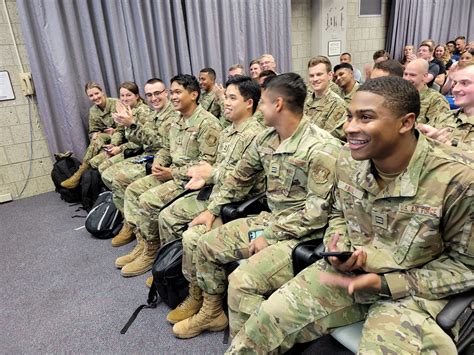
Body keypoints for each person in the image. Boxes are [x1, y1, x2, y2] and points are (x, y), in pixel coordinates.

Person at [227, 76, 473, 354]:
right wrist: (339, 245)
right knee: (265, 321)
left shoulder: (458, 180)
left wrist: (387, 283)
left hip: (413, 292)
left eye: (365, 117)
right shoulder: (347, 160)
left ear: (406, 122)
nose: (349, 128)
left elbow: (467, 267)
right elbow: (339, 213)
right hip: (348, 275)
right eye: (349, 116)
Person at [171, 73, 342, 339]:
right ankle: (213, 313)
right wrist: (212, 210)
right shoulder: (266, 140)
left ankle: (250, 341)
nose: (258, 108)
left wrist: (270, 235)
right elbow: (237, 179)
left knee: (242, 280)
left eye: (262, 103)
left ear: (278, 105)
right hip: (271, 220)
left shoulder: (321, 147)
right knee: (205, 244)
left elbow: (316, 214)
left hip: (302, 234)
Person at [158, 75, 265, 319]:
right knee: (172, 217)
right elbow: (219, 171)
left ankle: (210, 307)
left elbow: (241, 183)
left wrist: (213, 207)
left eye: (231, 98)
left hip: (239, 205)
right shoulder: (228, 132)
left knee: (193, 236)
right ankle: (191, 289)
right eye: (225, 97)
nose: (224, 102)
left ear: (249, 103)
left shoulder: (255, 136)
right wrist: (205, 178)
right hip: (220, 196)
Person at [115, 74, 221, 277]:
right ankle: (146, 244)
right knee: (132, 190)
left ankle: (156, 253)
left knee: (147, 200)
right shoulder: (177, 121)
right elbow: (165, 147)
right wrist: (159, 162)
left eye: (177, 92)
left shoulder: (208, 124)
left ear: (194, 94)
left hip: (191, 181)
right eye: (171, 92)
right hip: (170, 172)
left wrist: (172, 172)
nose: (172, 97)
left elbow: (206, 166)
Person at [99, 78, 178, 247]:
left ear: (166, 93)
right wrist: (128, 125)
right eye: (149, 95)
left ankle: (138, 232)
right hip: (149, 154)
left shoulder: (172, 114)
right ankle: (129, 221)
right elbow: (140, 140)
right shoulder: (154, 112)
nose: (153, 98)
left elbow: (161, 143)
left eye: (157, 93)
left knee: (121, 179)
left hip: (163, 160)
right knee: (106, 173)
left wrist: (133, 124)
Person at [61, 82, 119, 189]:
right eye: (91, 95)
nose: (95, 97)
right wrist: (94, 134)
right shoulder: (93, 111)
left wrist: (115, 130)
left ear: (102, 92)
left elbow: (128, 126)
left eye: (97, 93)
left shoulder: (116, 103)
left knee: (99, 141)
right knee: (97, 142)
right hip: (105, 141)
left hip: (120, 138)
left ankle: (78, 174)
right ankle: (85, 182)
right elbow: (92, 130)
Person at [87, 81, 153, 172]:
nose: (124, 99)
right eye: (122, 95)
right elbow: (120, 130)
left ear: (137, 96)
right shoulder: (125, 109)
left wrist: (119, 148)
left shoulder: (143, 111)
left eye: (128, 95)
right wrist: (113, 144)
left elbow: (143, 141)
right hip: (126, 146)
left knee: (103, 169)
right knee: (94, 162)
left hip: (140, 150)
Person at [419, 61, 474, 150]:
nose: (455, 89)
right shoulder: (445, 116)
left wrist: (445, 142)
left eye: (464, 83)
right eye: (455, 83)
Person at [304, 56, 347, 140]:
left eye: (319, 74)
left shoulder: (337, 104)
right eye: (311, 76)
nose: (315, 79)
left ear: (330, 75)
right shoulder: (305, 100)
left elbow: (327, 138)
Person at [403, 59, 450, 125]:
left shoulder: (436, 99)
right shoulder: (398, 95)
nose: (407, 78)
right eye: (405, 74)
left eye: (412, 75)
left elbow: (436, 130)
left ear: (425, 76)